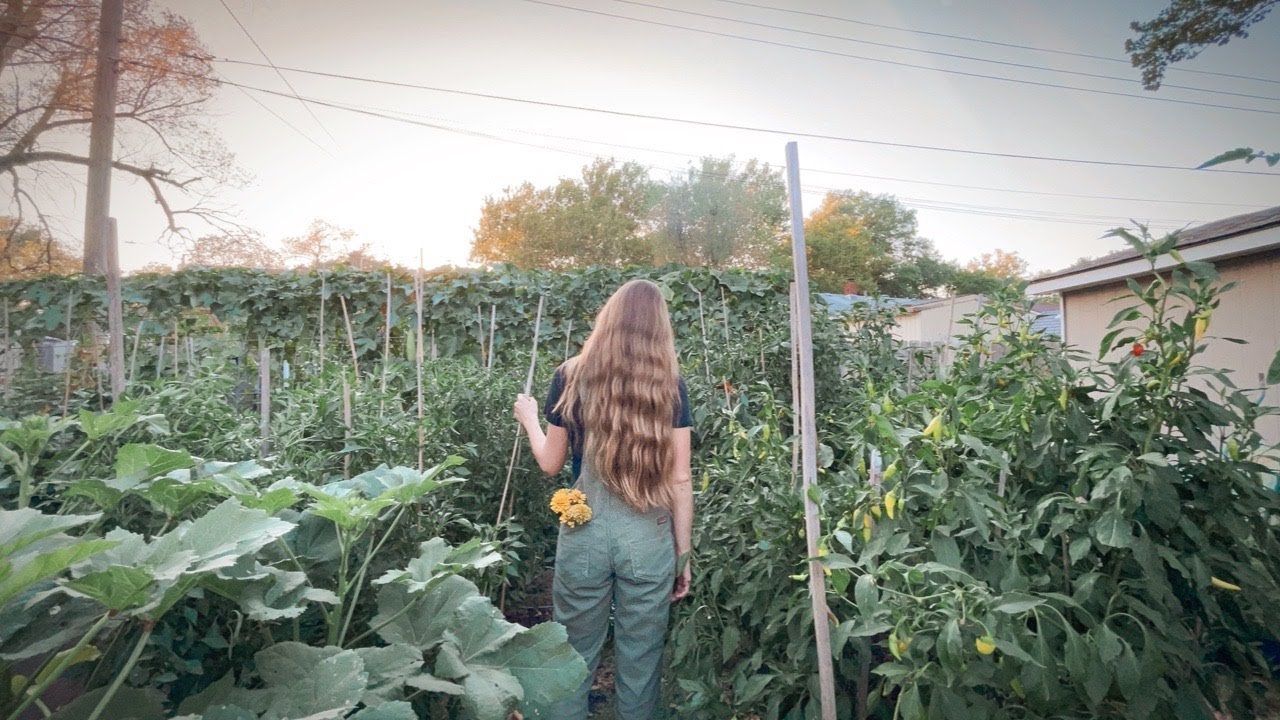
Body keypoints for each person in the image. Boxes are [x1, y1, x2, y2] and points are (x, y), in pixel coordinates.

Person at [513, 279, 693, 720]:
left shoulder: (570, 376)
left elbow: (551, 463)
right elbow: (681, 478)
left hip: (584, 534)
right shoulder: (669, 384)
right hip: (647, 539)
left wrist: (530, 419)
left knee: (572, 655)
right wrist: (682, 555)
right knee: (642, 657)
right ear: (659, 328)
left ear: (608, 318)